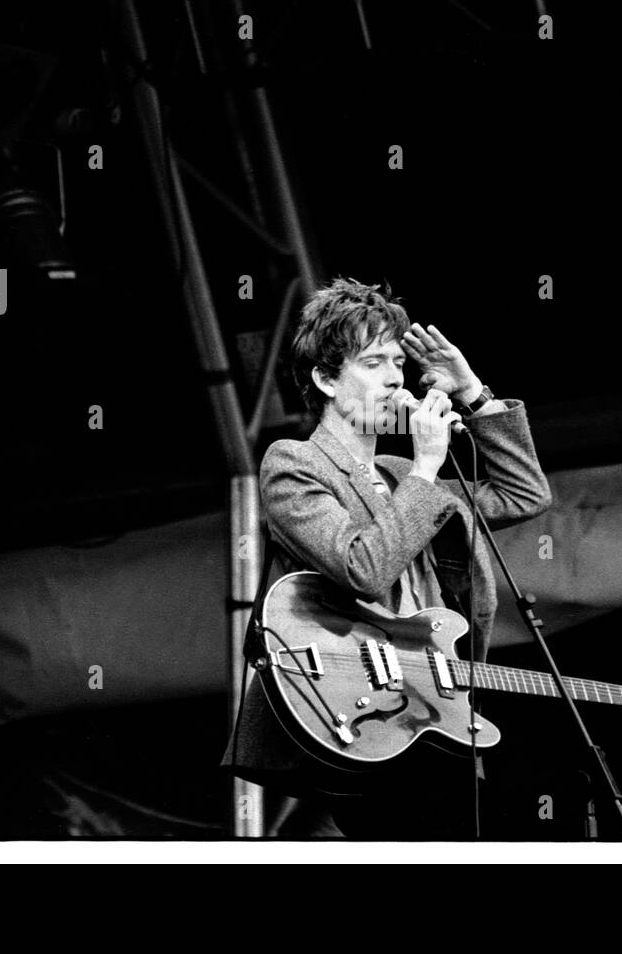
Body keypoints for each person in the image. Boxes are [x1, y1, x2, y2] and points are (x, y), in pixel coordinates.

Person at [221, 277, 552, 838]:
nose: (396, 377)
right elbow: (363, 569)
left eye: (398, 362)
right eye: (373, 363)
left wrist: (473, 393)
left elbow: (525, 494)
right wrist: (426, 468)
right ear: (326, 379)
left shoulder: (400, 475)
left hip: (431, 708)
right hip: (357, 712)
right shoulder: (294, 463)